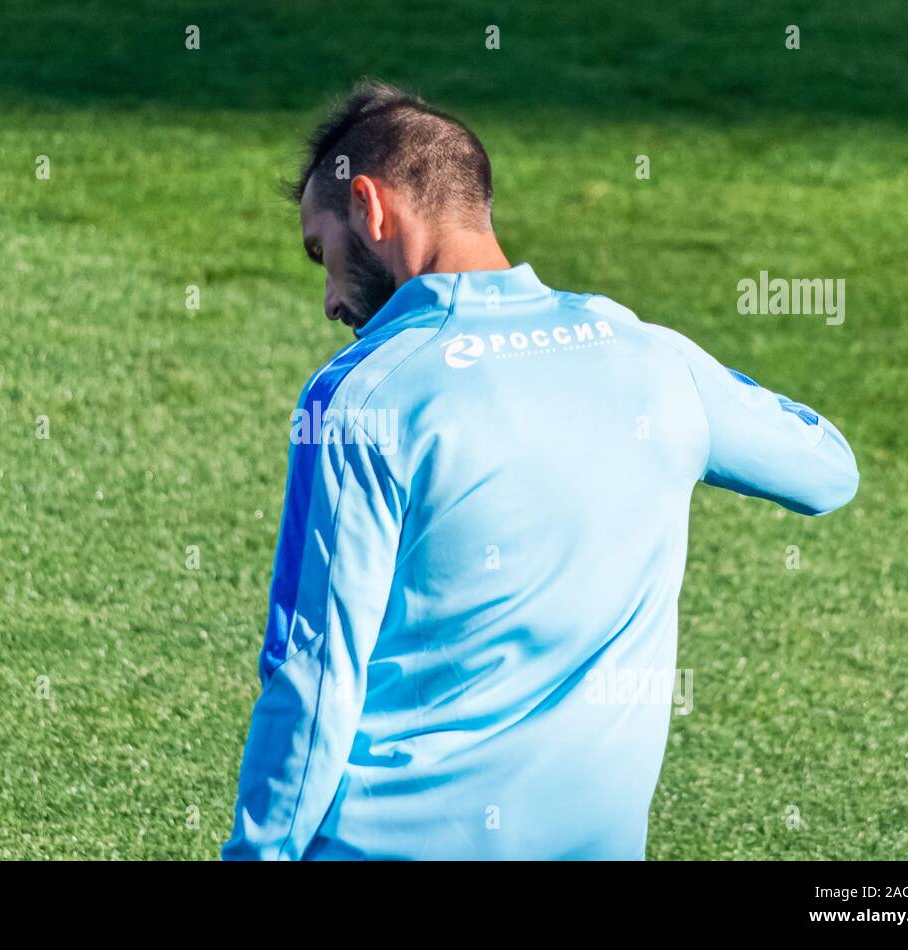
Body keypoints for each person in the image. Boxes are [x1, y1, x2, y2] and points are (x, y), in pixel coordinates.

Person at [221, 80, 859, 860]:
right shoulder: (651, 359)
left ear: (370, 206)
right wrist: (686, 371)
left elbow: (313, 673)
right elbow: (827, 469)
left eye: (323, 252)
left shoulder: (358, 398)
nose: (328, 299)